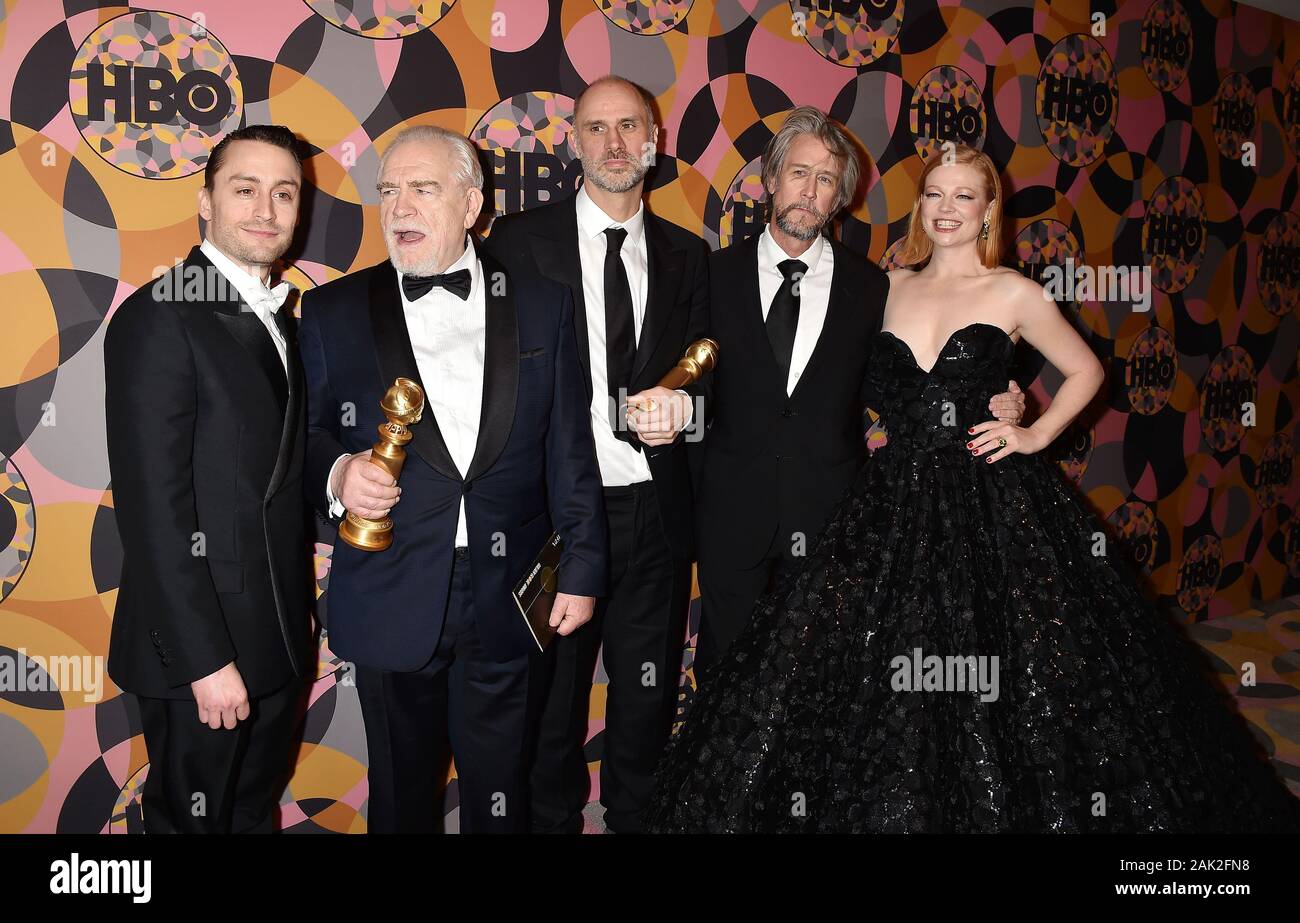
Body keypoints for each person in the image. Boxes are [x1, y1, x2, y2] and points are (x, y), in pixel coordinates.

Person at [645, 144, 1300, 832]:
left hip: (993, 501)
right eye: (935, 193)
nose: (948, 208)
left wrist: (1031, 431)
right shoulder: (883, 286)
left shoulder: (1014, 291)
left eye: (964, 195)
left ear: (989, 209)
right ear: (920, 205)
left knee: (1018, 677)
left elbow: (1086, 370)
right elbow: (826, 379)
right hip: (888, 501)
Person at [298, 125, 607, 833]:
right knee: (402, 797)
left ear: (471, 204)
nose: (399, 206)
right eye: (388, 190)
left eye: (423, 188)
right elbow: (306, 438)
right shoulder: (332, 310)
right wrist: (341, 471)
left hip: (511, 591)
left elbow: (570, 448)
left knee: (504, 791)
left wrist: (584, 566)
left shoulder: (543, 302)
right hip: (391, 588)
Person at [693, 108, 1026, 687]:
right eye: (798, 173)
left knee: (820, 678)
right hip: (730, 511)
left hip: (832, 514)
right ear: (771, 180)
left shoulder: (871, 287)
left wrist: (998, 396)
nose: (809, 191)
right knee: (725, 673)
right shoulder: (709, 275)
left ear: (840, 198)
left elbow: (906, 383)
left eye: (825, 180)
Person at [488, 75, 709, 834]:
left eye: (630, 127)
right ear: (573, 141)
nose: (614, 143)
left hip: (655, 508)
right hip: (556, 510)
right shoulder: (517, 243)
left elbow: (716, 386)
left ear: (654, 141)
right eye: (596, 128)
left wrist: (689, 414)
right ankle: (550, 822)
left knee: (646, 694)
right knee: (552, 692)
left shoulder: (689, 254)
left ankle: (634, 819)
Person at [104, 124, 315, 833]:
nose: (266, 209)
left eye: (284, 193)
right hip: (201, 651)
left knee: (251, 814)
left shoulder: (285, 321)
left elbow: (279, 475)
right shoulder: (160, 316)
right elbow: (152, 511)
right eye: (244, 189)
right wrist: (205, 660)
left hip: (279, 639)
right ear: (205, 202)